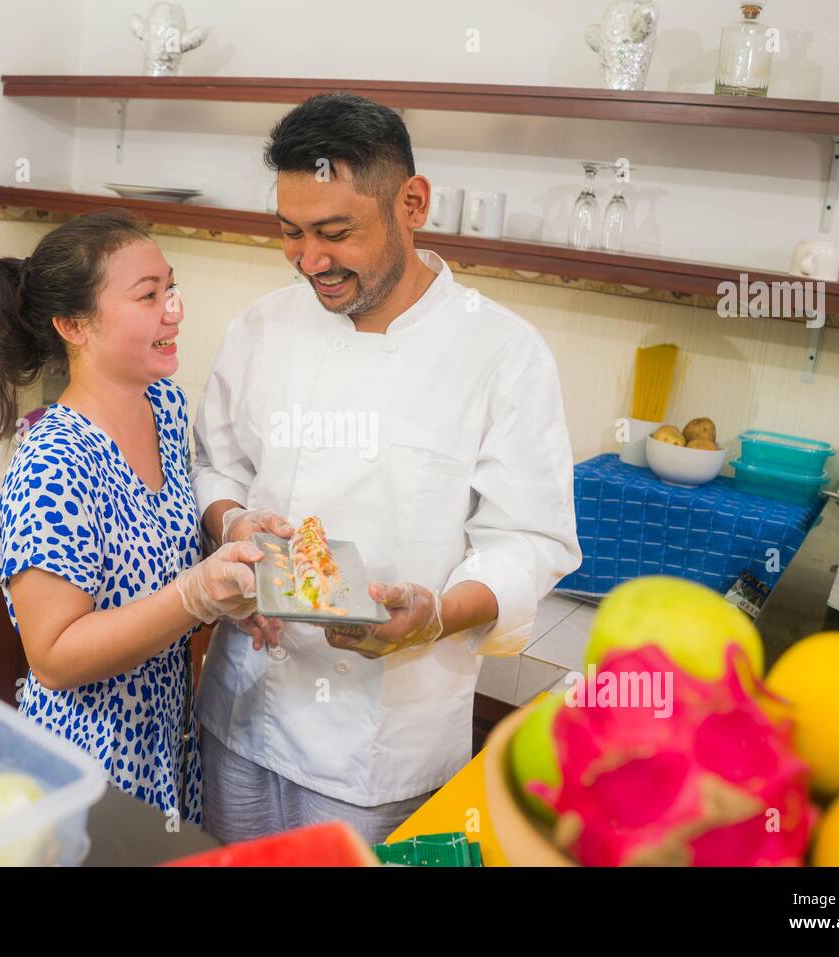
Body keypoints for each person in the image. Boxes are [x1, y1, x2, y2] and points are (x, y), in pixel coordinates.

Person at [192, 93, 582, 845]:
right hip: (241, 712)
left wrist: (430, 616)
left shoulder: (502, 353)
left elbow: (529, 540)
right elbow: (216, 466)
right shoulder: (262, 325)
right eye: (291, 232)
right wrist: (234, 522)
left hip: (381, 752)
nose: (310, 261)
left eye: (335, 233)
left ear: (412, 203)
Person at [0, 210, 265, 825]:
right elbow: (52, 655)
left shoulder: (164, 405)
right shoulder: (54, 462)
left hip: (170, 745)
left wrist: (236, 577)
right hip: (89, 766)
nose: (174, 309)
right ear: (74, 325)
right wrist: (195, 596)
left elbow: (165, 553)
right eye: (149, 295)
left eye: (171, 288)